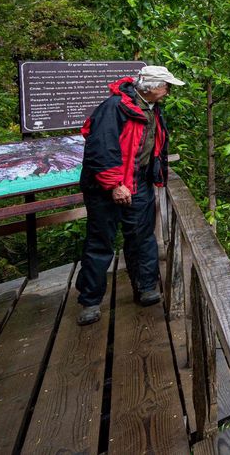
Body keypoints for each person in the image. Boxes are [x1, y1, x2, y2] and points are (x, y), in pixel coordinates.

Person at [75, 65, 184, 325]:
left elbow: (151, 146)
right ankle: (90, 301)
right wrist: (115, 185)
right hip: (106, 187)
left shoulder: (152, 109)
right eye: (165, 85)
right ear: (151, 87)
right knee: (101, 242)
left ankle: (146, 287)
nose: (167, 90)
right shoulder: (114, 108)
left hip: (139, 183)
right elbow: (100, 149)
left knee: (142, 237)